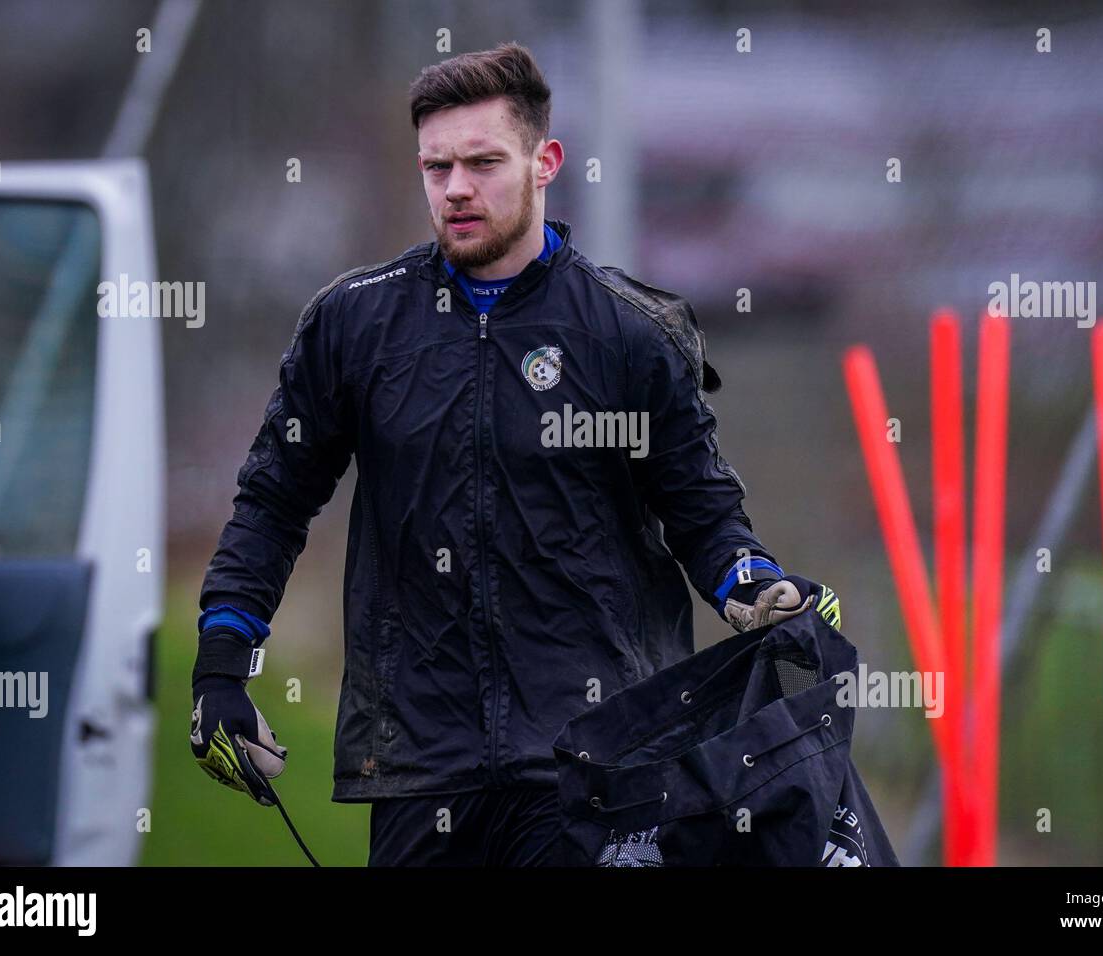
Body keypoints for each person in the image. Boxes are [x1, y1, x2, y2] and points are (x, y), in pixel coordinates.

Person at [189, 42, 839, 866]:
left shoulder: (632, 333)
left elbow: (703, 514)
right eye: (437, 167)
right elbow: (273, 502)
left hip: (598, 763)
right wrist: (220, 671)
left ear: (544, 163)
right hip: (419, 771)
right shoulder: (353, 328)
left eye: (483, 162)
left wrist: (755, 587)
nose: (456, 188)